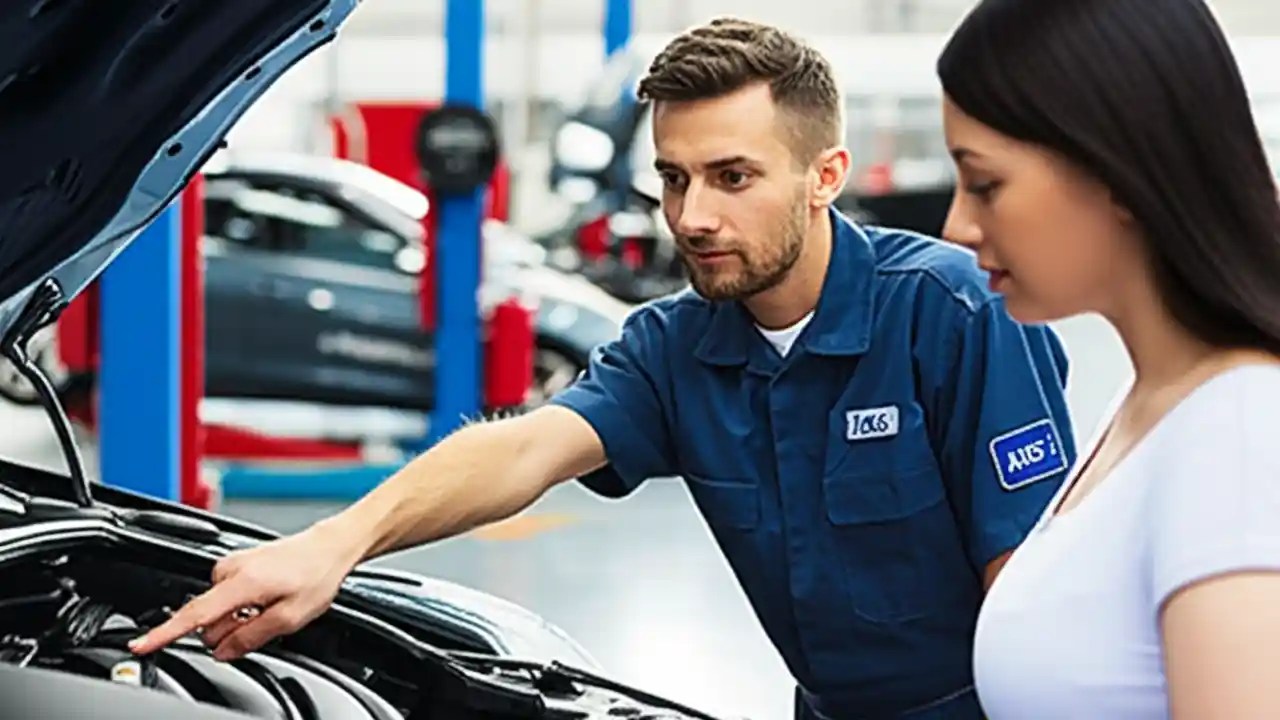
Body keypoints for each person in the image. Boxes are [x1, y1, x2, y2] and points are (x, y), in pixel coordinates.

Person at [130, 18, 1076, 719]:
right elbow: (524, 450)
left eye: (732, 177)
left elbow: (1032, 592)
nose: (693, 215)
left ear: (824, 177)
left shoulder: (952, 313)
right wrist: (333, 545)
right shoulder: (678, 345)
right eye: (673, 177)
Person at [936, 0, 1280, 717]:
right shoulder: (1152, 406)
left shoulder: (1237, 439)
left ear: (1115, 171)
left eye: (985, 184)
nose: (957, 226)